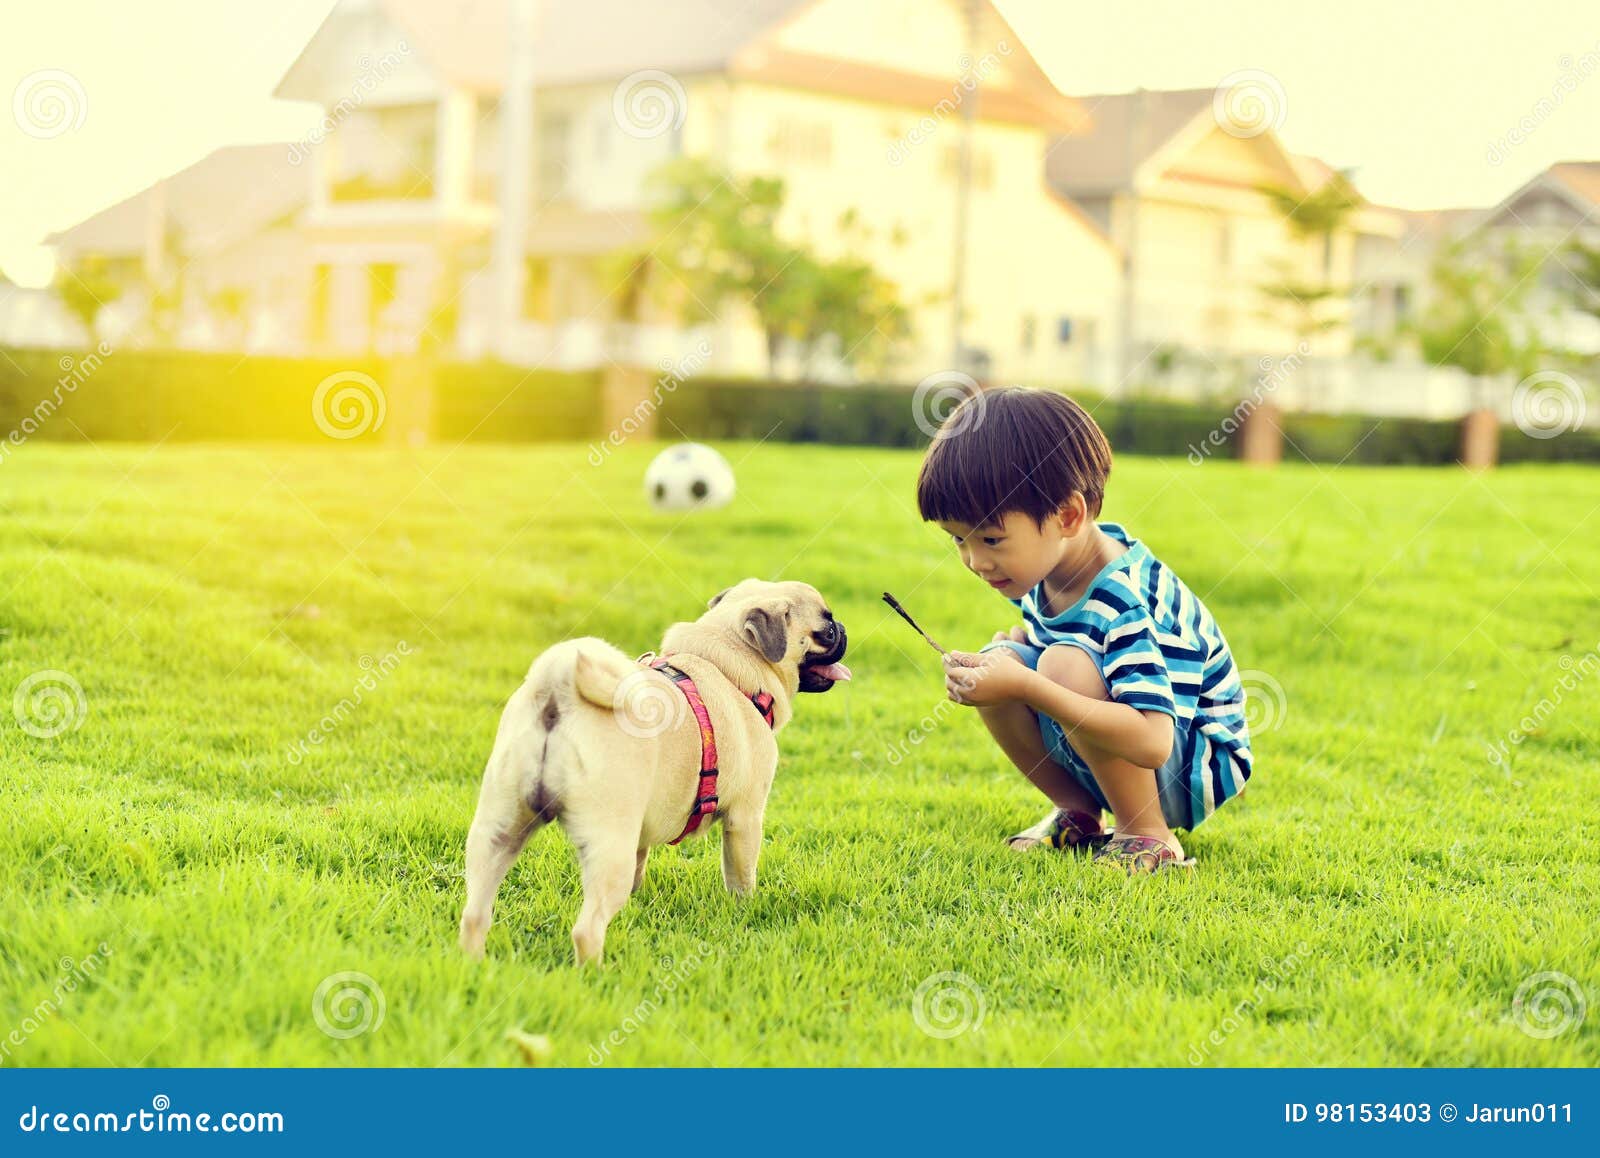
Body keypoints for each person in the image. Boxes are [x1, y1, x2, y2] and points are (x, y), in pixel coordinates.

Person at [915, 386, 1252, 873]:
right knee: (1002, 660)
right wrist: (1011, 660)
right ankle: (1079, 814)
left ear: (1068, 516)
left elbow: (1153, 740)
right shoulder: (1047, 567)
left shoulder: (1123, 600)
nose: (975, 560)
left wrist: (1026, 683)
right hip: (1136, 747)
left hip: (1193, 765)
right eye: (958, 540)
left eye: (990, 539)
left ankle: (1147, 833)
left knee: (1061, 666)